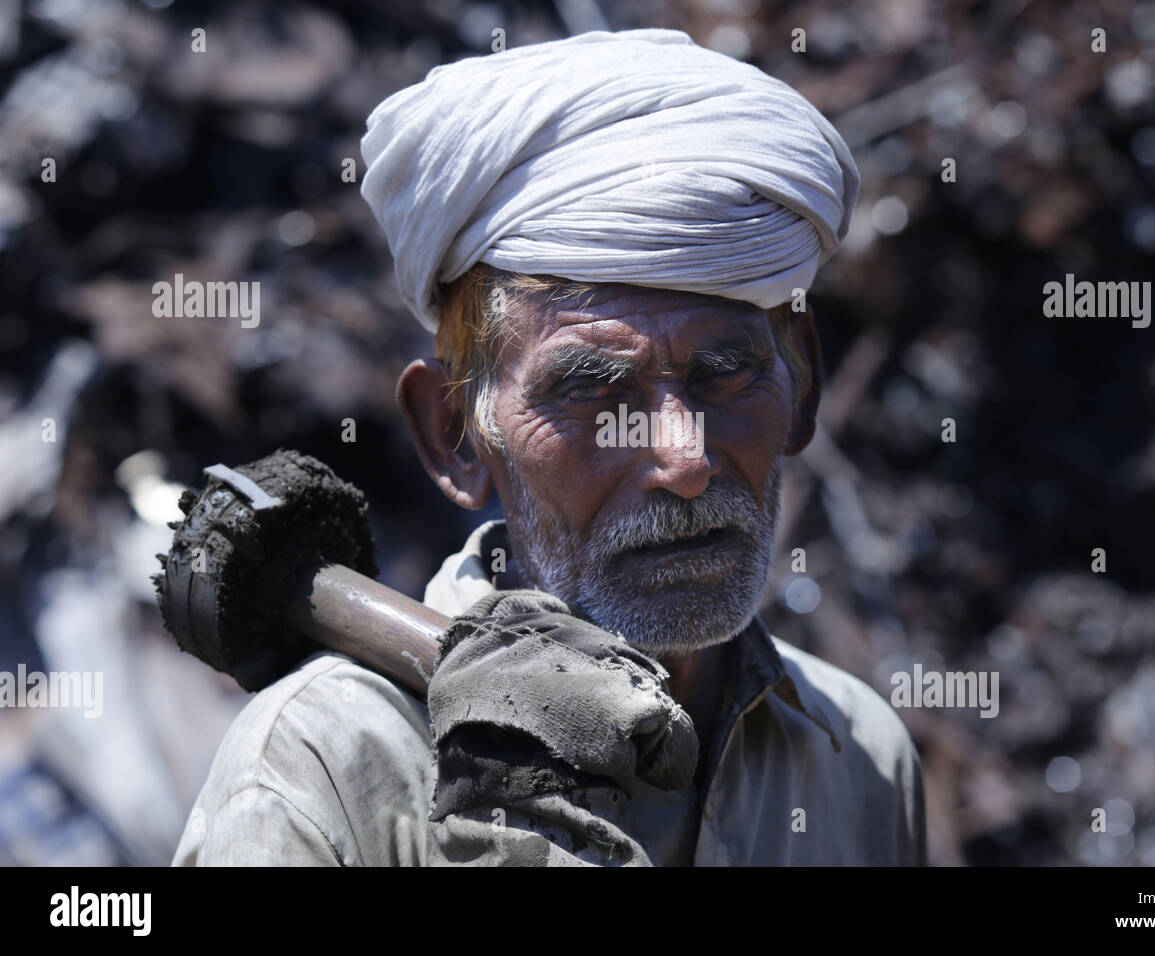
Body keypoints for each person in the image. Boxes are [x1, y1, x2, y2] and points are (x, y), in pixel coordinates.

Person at [173, 28, 926, 866]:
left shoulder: (856, 755)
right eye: (593, 392)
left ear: (804, 387)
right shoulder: (319, 775)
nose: (684, 459)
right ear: (456, 436)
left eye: (725, 373)